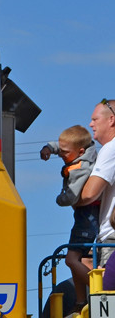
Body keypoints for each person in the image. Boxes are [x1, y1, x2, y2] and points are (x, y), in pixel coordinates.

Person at [40, 125, 99, 307]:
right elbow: (62, 146)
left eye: (64, 153)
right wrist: (49, 148)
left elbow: (71, 196)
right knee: (78, 259)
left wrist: (59, 199)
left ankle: (101, 291)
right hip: (84, 216)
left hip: (86, 217)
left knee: (71, 259)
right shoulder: (80, 150)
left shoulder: (81, 169)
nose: (61, 155)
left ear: (80, 151)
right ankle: (80, 301)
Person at [76, 100, 115, 291]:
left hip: (111, 236)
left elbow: (89, 194)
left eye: (95, 119)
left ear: (111, 120)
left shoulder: (111, 148)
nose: (91, 124)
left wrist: (71, 196)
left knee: (106, 297)